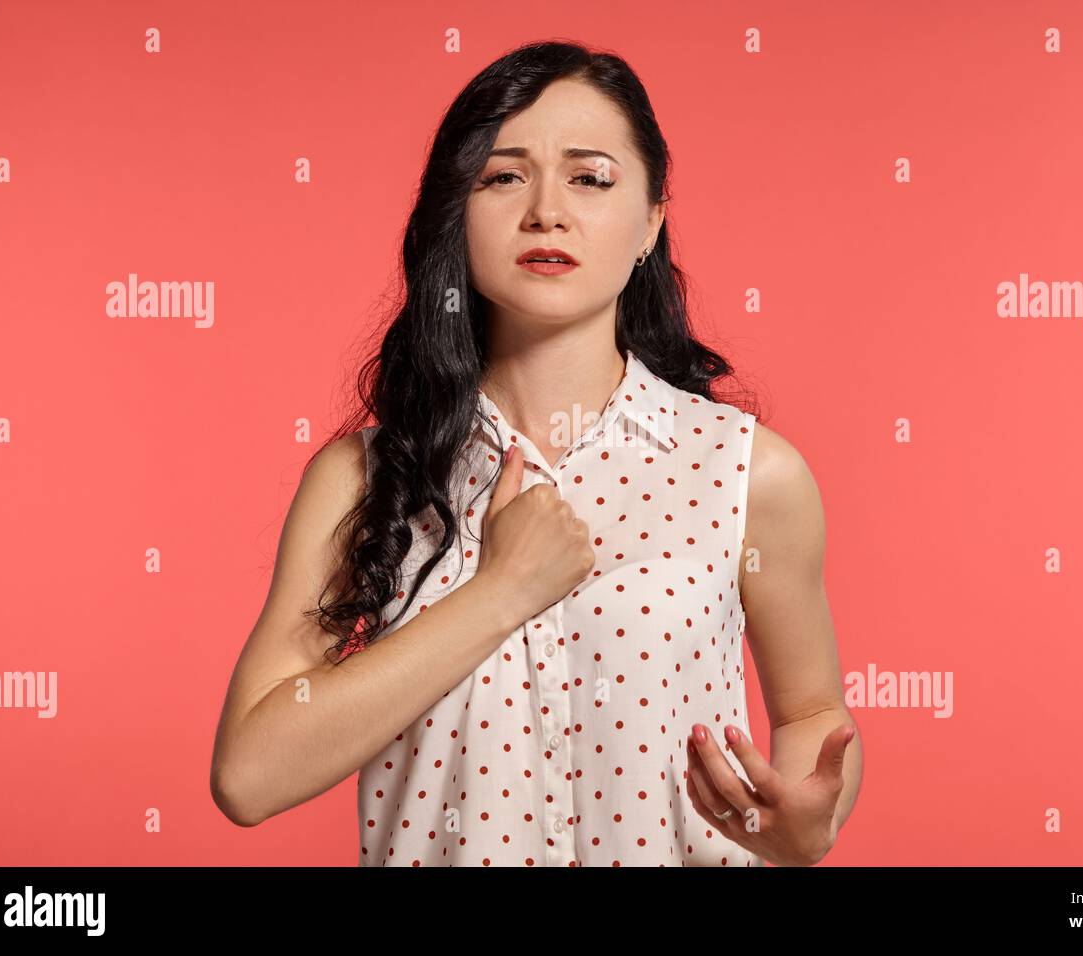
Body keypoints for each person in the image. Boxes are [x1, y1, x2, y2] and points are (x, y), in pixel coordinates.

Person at [209, 40, 861, 867]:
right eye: (502, 176)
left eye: (590, 179)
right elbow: (248, 775)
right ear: (457, 210)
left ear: (651, 219)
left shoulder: (746, 472)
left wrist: (808, 817)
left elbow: (812, 713)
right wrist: (501, 592)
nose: (546, 211)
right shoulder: (363, 479)